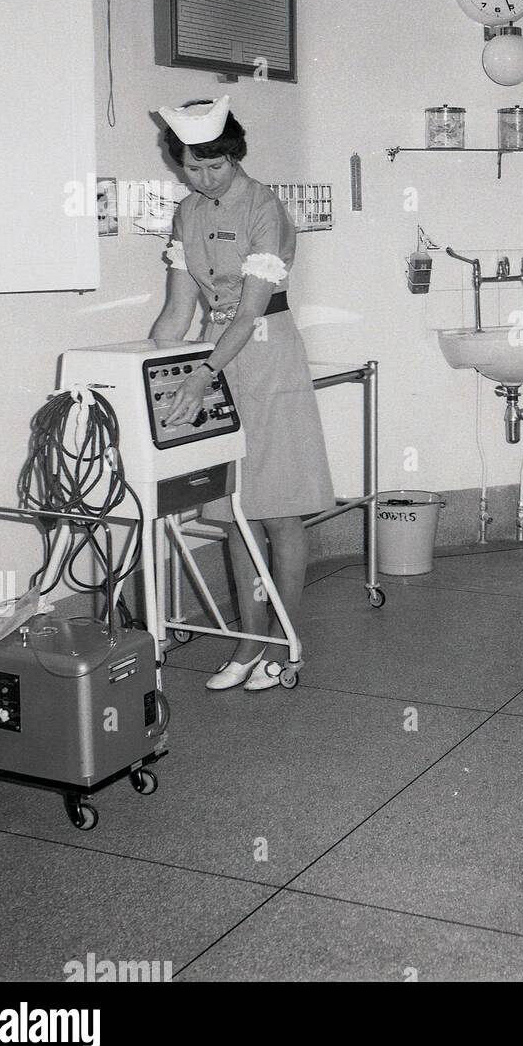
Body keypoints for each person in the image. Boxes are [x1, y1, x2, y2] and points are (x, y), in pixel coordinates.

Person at [151, 96, 334, 691]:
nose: (203, 180)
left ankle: (285, 638)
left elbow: (250, 311)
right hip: (216, 355)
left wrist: (203, 373)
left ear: (234, 155)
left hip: (266, 352)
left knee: (278, 511)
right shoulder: (186, 213)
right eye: (191, 168)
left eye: (215, 167)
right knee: (235, 513)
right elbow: (179, 310)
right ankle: (247, 642)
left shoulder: (266, 209)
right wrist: (146, 368)